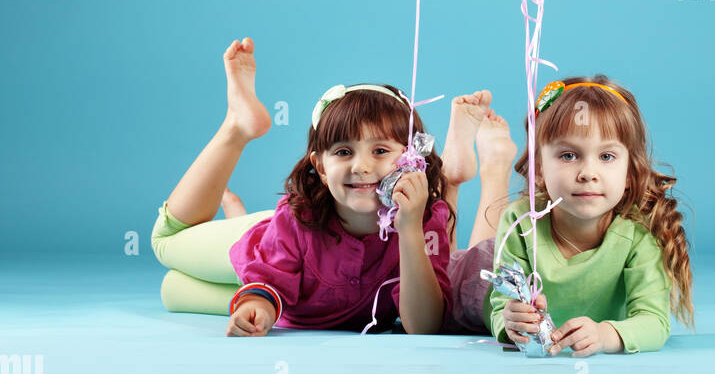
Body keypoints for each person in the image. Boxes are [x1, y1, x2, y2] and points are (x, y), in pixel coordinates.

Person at [149, 38, 515, 335]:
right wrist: (257, 304)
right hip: (268, 251)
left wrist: (407, 229)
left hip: (299, 307)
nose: (362, 166)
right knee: (166, 242)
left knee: (172, 292)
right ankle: (237, 127)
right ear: (321, 167)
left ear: (411, 159)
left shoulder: (422, 222)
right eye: (343, 151)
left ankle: (234, 212)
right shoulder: (298, 217)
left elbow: (423, 327)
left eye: (381, 150)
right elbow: (267, 282)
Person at [483, 75, 695, 355]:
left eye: (606, 157)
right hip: (475, 284)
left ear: (630, 172)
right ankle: (488, 170)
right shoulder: (520, 222)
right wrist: (510, 322)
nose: (588, 174)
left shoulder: (638, 234)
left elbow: (654, 322)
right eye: (569, 156)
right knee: (455, 282)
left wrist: (605, 334)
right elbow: (498, 306)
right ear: (539, 169)